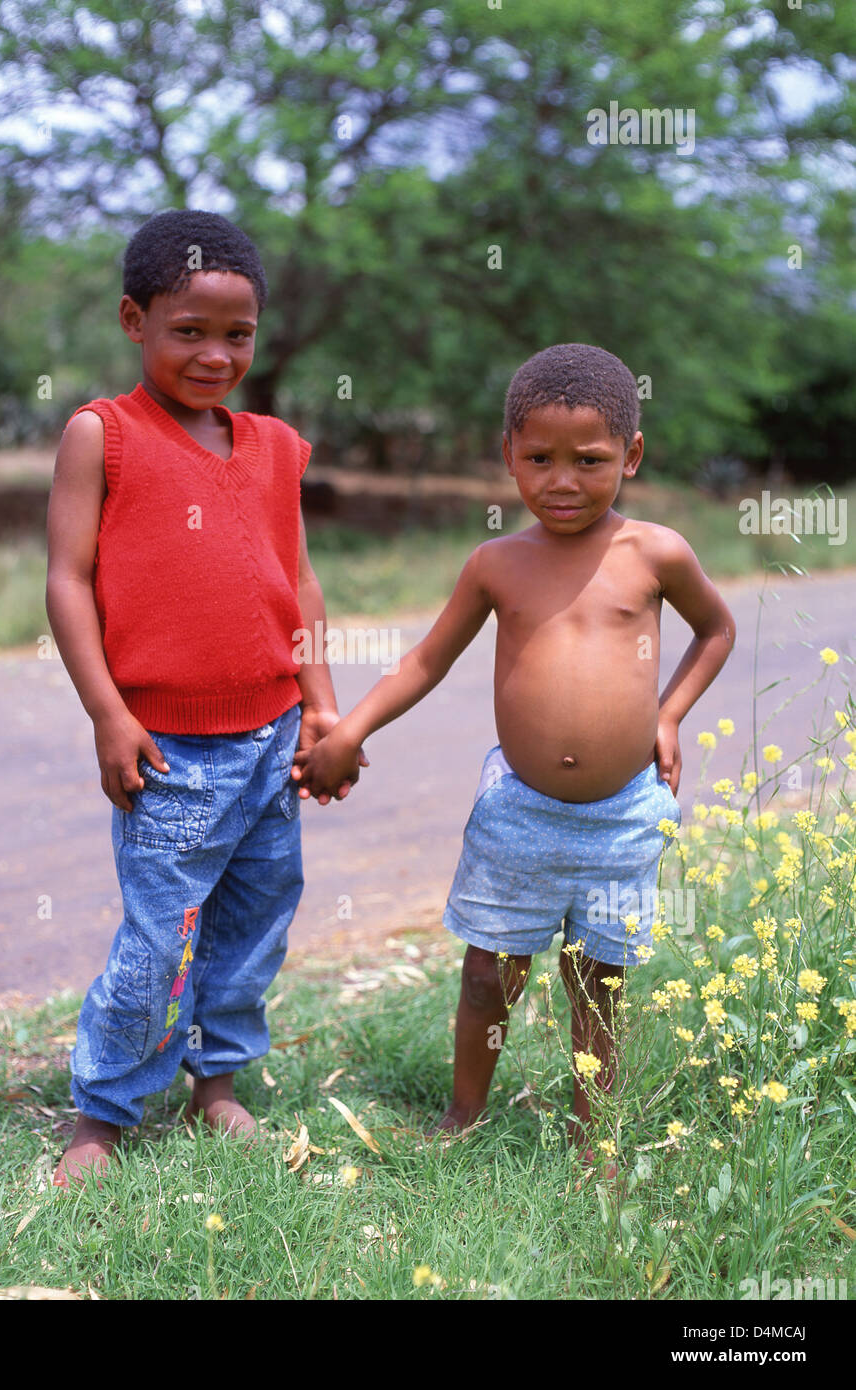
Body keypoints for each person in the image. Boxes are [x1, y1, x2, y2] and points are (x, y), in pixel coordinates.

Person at [292, 343, 736, 1167]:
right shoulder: (497, 564)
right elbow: (426, 659)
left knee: (599, 984)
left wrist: (668, 714)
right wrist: (350, 730)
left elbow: (717, 630)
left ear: (630, 456)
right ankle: (464, 1114)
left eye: (590, 461)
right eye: (539, 459)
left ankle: (590, 1132)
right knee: (488, 974)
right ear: (508, 457)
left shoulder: (655, 553)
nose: (561, 481)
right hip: (519, 813)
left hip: (624, 813)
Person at [46, 209, 358, 1189]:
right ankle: (103, 1108)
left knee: (256, 914)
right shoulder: (103, 435)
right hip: (166, 745)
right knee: (162, 934)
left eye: (238, 334)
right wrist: (107, 710)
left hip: (271, 732)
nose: (217, 354)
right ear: (135, 320)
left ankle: (216, 1083)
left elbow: (296, 580)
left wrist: (322, 705)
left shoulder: (272, 446)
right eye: (190, 331)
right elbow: (65, 580)